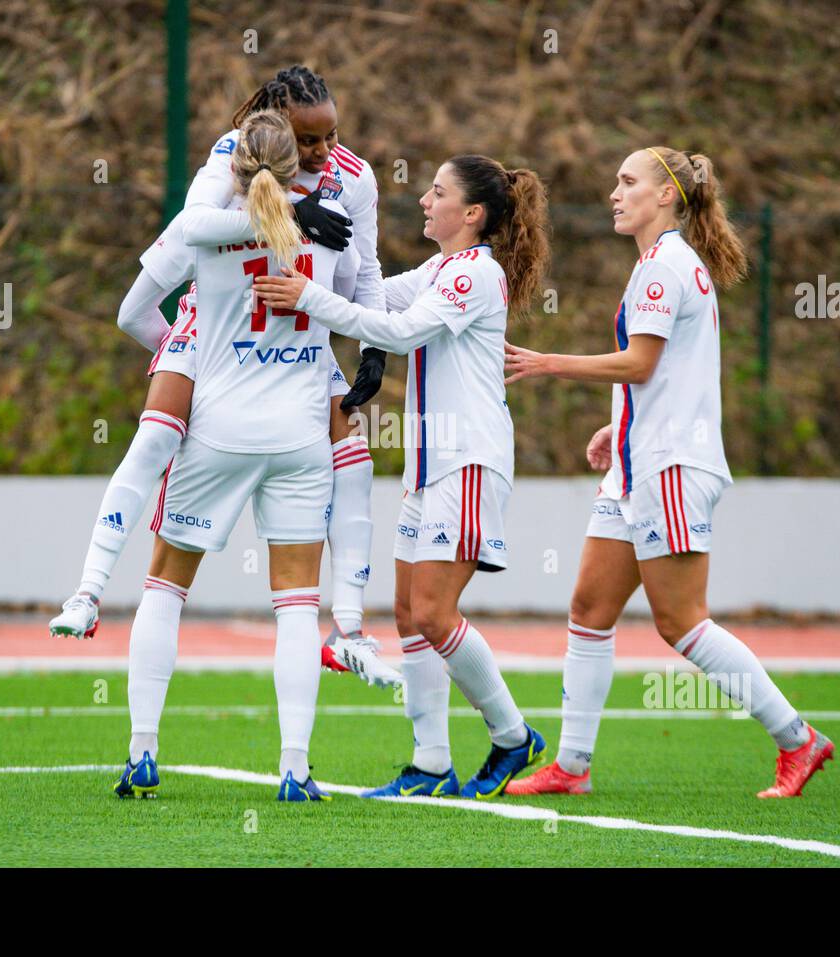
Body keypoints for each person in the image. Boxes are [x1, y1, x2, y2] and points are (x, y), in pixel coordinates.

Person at [49, 65, 399, 688]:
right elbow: (190, 228)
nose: (324, 152)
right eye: (309, 139)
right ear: (274, 129)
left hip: (299, 337)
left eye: (331, 136)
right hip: (213, 332)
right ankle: (88, 590)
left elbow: (363, 270)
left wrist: (373, 344)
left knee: (355, 456)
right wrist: (283, 222)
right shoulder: (231, 155)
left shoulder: (357, 176)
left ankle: (349, 630)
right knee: (156, 438)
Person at [502, 147, 834, 799]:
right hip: (638, 464)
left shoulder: (665, 266)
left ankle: (798, 739)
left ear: (664, 197)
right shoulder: (664, 263)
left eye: (627, 182)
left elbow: (641, 362)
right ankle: (572, 766)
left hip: (672, 469)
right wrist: (617, 426)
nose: (613, 193)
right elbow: (662, 371)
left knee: (682, 622)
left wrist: (548, 362)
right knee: (590, 609)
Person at [256, 154, 553, 799]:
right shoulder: (442, 267)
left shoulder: (476, 274)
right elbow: (373, 295)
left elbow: (395, 328)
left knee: (436, 614)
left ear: (470, 214)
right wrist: (319, 235)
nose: (423, 199)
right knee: (409, 615)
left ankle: (511, 734)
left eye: (437, 192)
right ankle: (430, 764)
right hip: (430, 466)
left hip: (467, 462)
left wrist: (308, 296)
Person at [112, 109, 357, 802]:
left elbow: (142, 302)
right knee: (296, 604)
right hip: (301, 435)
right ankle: (295, 767)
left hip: (217, 429)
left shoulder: (203, 229)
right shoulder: (332, 222)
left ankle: (142, 752)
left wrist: (178, 363)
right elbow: (360, 302)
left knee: (164, 585)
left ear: (231, 160)